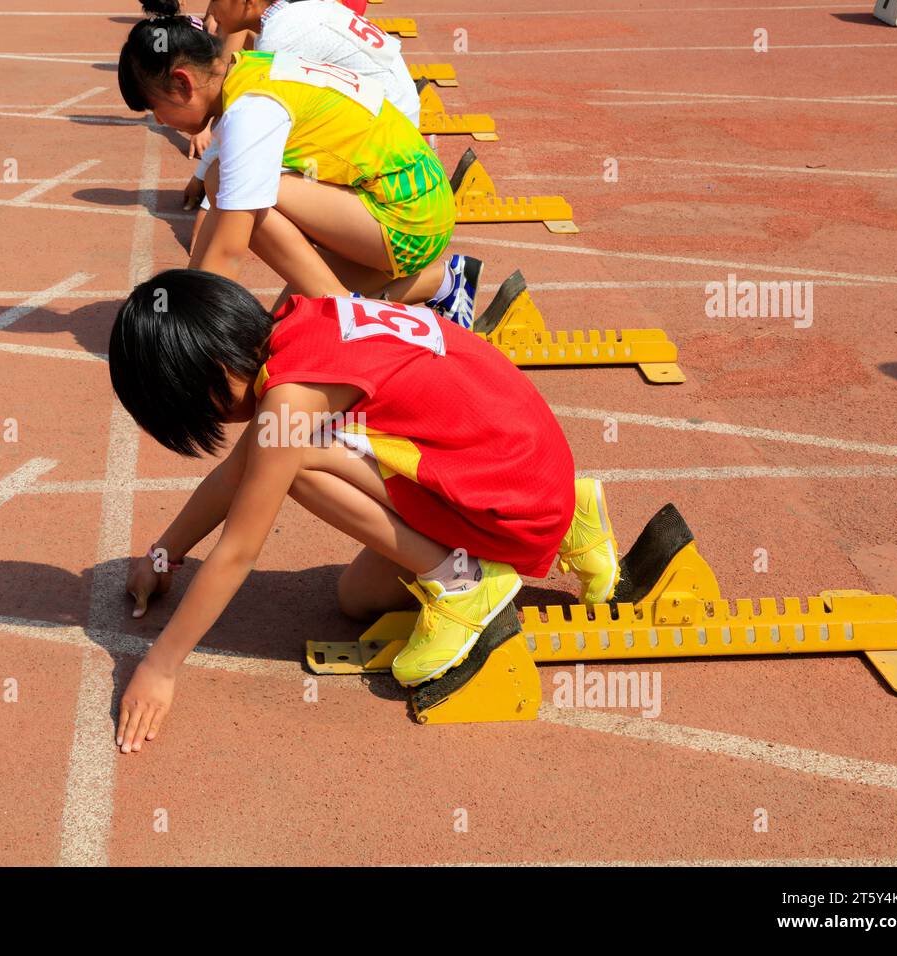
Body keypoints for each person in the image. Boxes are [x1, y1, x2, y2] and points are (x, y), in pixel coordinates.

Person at [108, 269, 620, 753]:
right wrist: (163, 556)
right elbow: (234, 473)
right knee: (356, 600)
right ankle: (572, 512)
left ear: (210, 374)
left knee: (295, 460)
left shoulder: (288, 406)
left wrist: (160, 666)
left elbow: (239, 550)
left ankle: (464, 580)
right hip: (530, 467)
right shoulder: (304, 321)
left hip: (514, 501)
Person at [119, 6, 482, 327]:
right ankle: (438, 283)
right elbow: (211, 254)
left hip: (409, 220)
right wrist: (189, 293)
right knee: (288, 326)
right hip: (407, 199)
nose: (161, 122)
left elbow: (228, 254)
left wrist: (187, 332)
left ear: (183, 83)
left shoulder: (251, 109)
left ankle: (345, 310)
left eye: (155, 109)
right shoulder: (251, 69)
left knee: (244, 192)